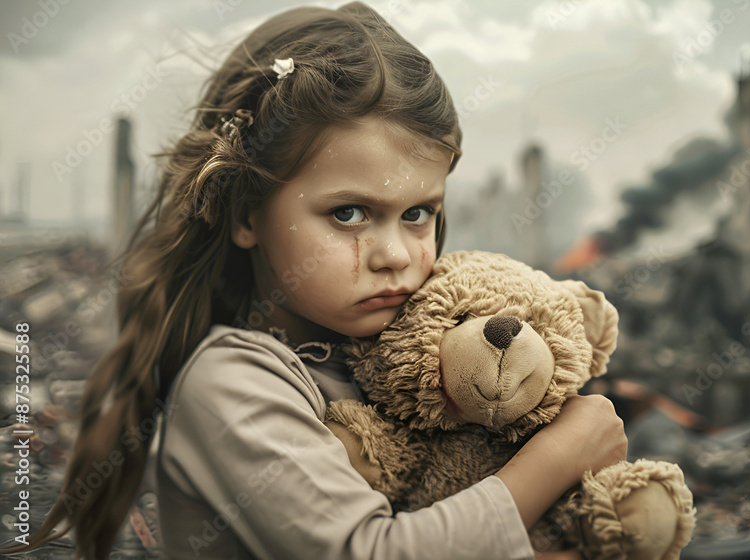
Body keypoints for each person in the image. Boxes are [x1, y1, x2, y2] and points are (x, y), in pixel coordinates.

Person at [3, 3, 626, 559]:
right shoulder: (230, 383)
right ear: (247, 213)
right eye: (348, 214)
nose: (394, 256)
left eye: (417, 214)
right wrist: (561, 456)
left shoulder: (408, 359)